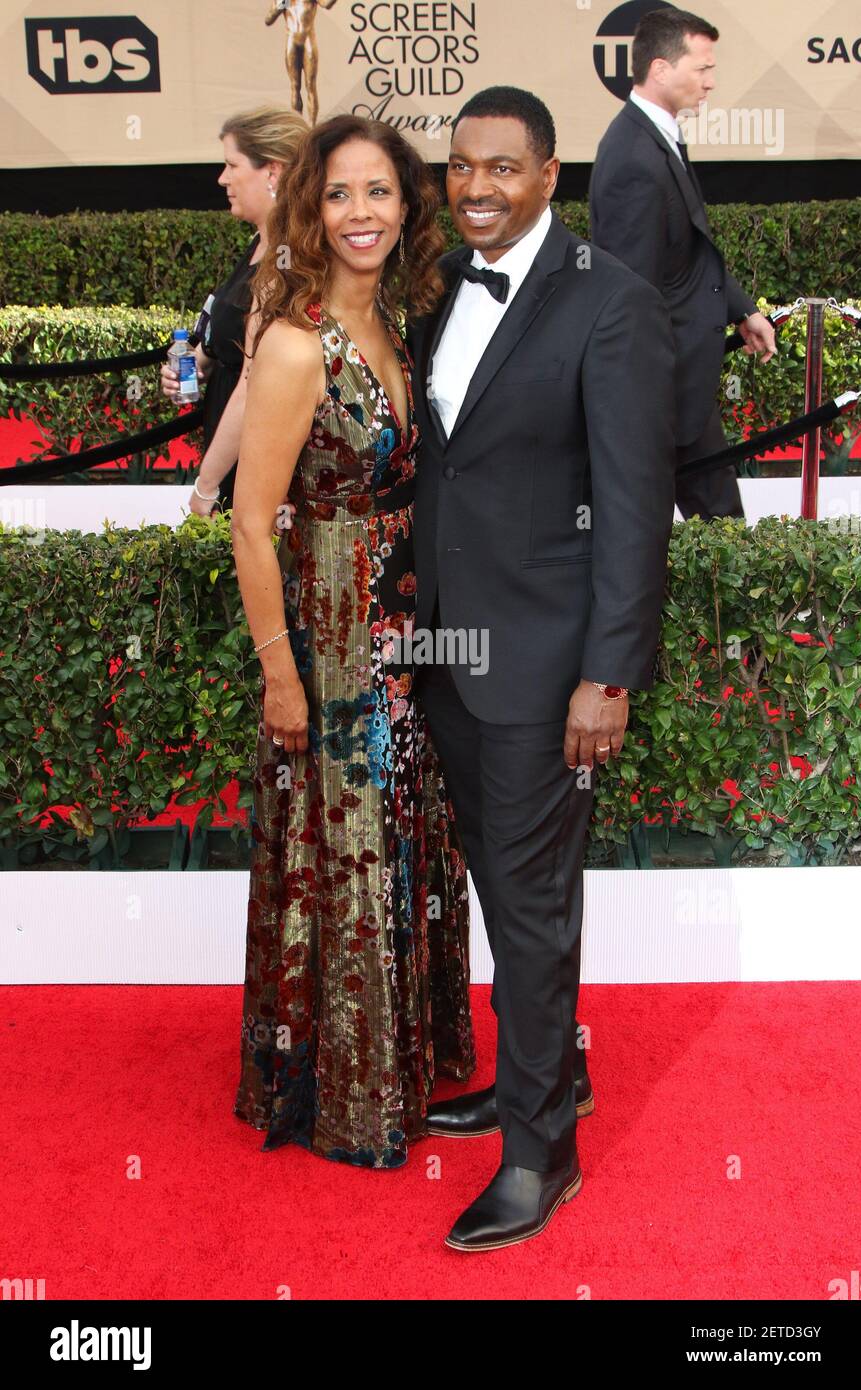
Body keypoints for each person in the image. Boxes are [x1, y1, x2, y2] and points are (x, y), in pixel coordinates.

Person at [406, 86, 676, 1251]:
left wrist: (605, 677)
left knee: (528, 909)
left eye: (502, 168)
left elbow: (632, 507)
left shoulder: (608, 303)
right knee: (506, 897)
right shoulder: (435, 293)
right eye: (460, 167)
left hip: (548, 671)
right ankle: (543, 1084)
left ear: (549, 174)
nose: (475, 187)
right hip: (452, 658)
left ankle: (539, 1155)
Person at [230, 115, 475, 1167]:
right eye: (338, 195)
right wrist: (282, 674)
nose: (360, 214)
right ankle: (345, 1086)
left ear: (407, 205)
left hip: (404, 624)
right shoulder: (293, 344)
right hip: (330, 632)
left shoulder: (404, 325)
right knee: (346, 837)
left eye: (378, 192)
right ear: (310, 210)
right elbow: (252, 522)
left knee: (403, 831)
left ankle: (399, 1056)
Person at [588, 8, 776, 523]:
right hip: (661, 394)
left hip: (678, 386)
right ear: (661, 69)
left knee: (719, 527)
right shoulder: (632, 156)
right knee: (716, 531)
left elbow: (688, 248)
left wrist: (742, 310)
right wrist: (653, 398)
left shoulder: (654, 137)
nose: (712, 82)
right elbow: (631, 292)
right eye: (703, 69)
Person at [160, 106, 308, 515]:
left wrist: (205, 488)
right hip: (238, 458)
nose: (222, 178)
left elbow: (254, 384)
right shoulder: (261, 245)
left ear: (273, 172)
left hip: (259, 471)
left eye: (231, 164)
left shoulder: (285, 260)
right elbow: (233, 339)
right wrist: (198, 363)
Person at [265, 0, 339, 126]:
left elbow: (327, 4)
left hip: (308, 41)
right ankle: (297, 127)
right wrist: (279, 5)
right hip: (292, 42)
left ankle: (312, 127)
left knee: (310, 86)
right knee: (295, 87)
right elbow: (268, 20)